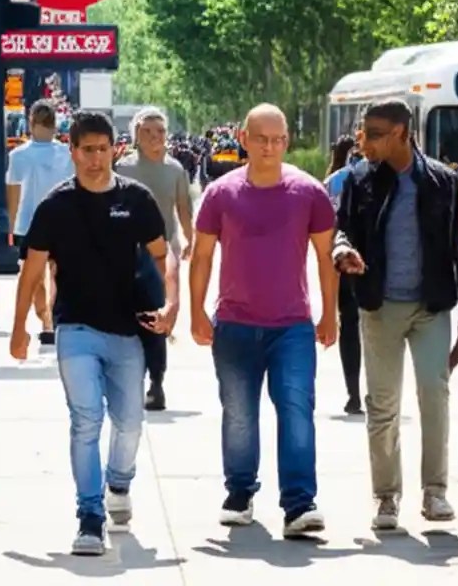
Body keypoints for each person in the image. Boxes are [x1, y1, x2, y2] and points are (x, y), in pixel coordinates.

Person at [9, 110, 178, 556]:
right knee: (86, 421)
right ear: (73, 150)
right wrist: (20, 328)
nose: (96, 158)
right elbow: (32, 272)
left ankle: (118, 483)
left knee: (129, 423)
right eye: (87, 150)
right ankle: (89, 516)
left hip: (128, 331)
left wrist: (170, 302)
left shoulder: (137, 200)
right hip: (76, 328)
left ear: (114, 150)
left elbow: (165, 256)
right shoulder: (55, 206)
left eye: (103, 149)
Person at [189, 103, 338, 537]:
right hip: (234, 324)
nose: (269, 147)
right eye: (261, 138)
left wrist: (331, 314)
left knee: (296, 410)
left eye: (277, 139)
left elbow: (325, 257)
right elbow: (202, 256)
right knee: (238, 413)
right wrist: (197, 310)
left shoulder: (309, 192)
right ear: (243, 139)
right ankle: (239, 493)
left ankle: (299, 504)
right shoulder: (221, 193)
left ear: (286, 141)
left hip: (292, 324)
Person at [332, 99, 458, 530]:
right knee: (383, 404)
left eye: (373, 133)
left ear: (401, 133)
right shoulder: (359, 179)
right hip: (379, 305)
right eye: (362, 132)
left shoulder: (442, 181)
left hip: (430, 306)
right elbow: (342, 229)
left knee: (435, 396)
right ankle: (386, 497)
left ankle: (435, 492)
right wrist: (342, 251)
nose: (364, 141)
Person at [114, 106, 195, 412]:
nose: (154, 137)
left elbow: (183, 208)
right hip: (126, 253)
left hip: (162, 255)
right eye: (147, 132)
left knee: (156, 317)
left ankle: (156, 382)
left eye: (159, 131)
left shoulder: (175, 170)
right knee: (124, 318)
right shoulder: (123, 168)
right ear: (136, 135)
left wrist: (190, 239)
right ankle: (128, 379)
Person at [6, 99, 73, 346]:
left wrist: (10, 225)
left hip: (28, 222)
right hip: (63, 221)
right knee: (58, 273)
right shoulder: (67, 154)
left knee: (33, 276)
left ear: (31, 124)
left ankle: (44, 316)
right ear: (55, 125)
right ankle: (52, 320)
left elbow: (13, 193)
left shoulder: (18, 155)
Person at [324, 135, 364, 414]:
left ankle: (354, 393)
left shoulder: (332, 181)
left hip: (340, 260)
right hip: (372, 262)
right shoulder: (376, 176)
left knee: (349, 325)